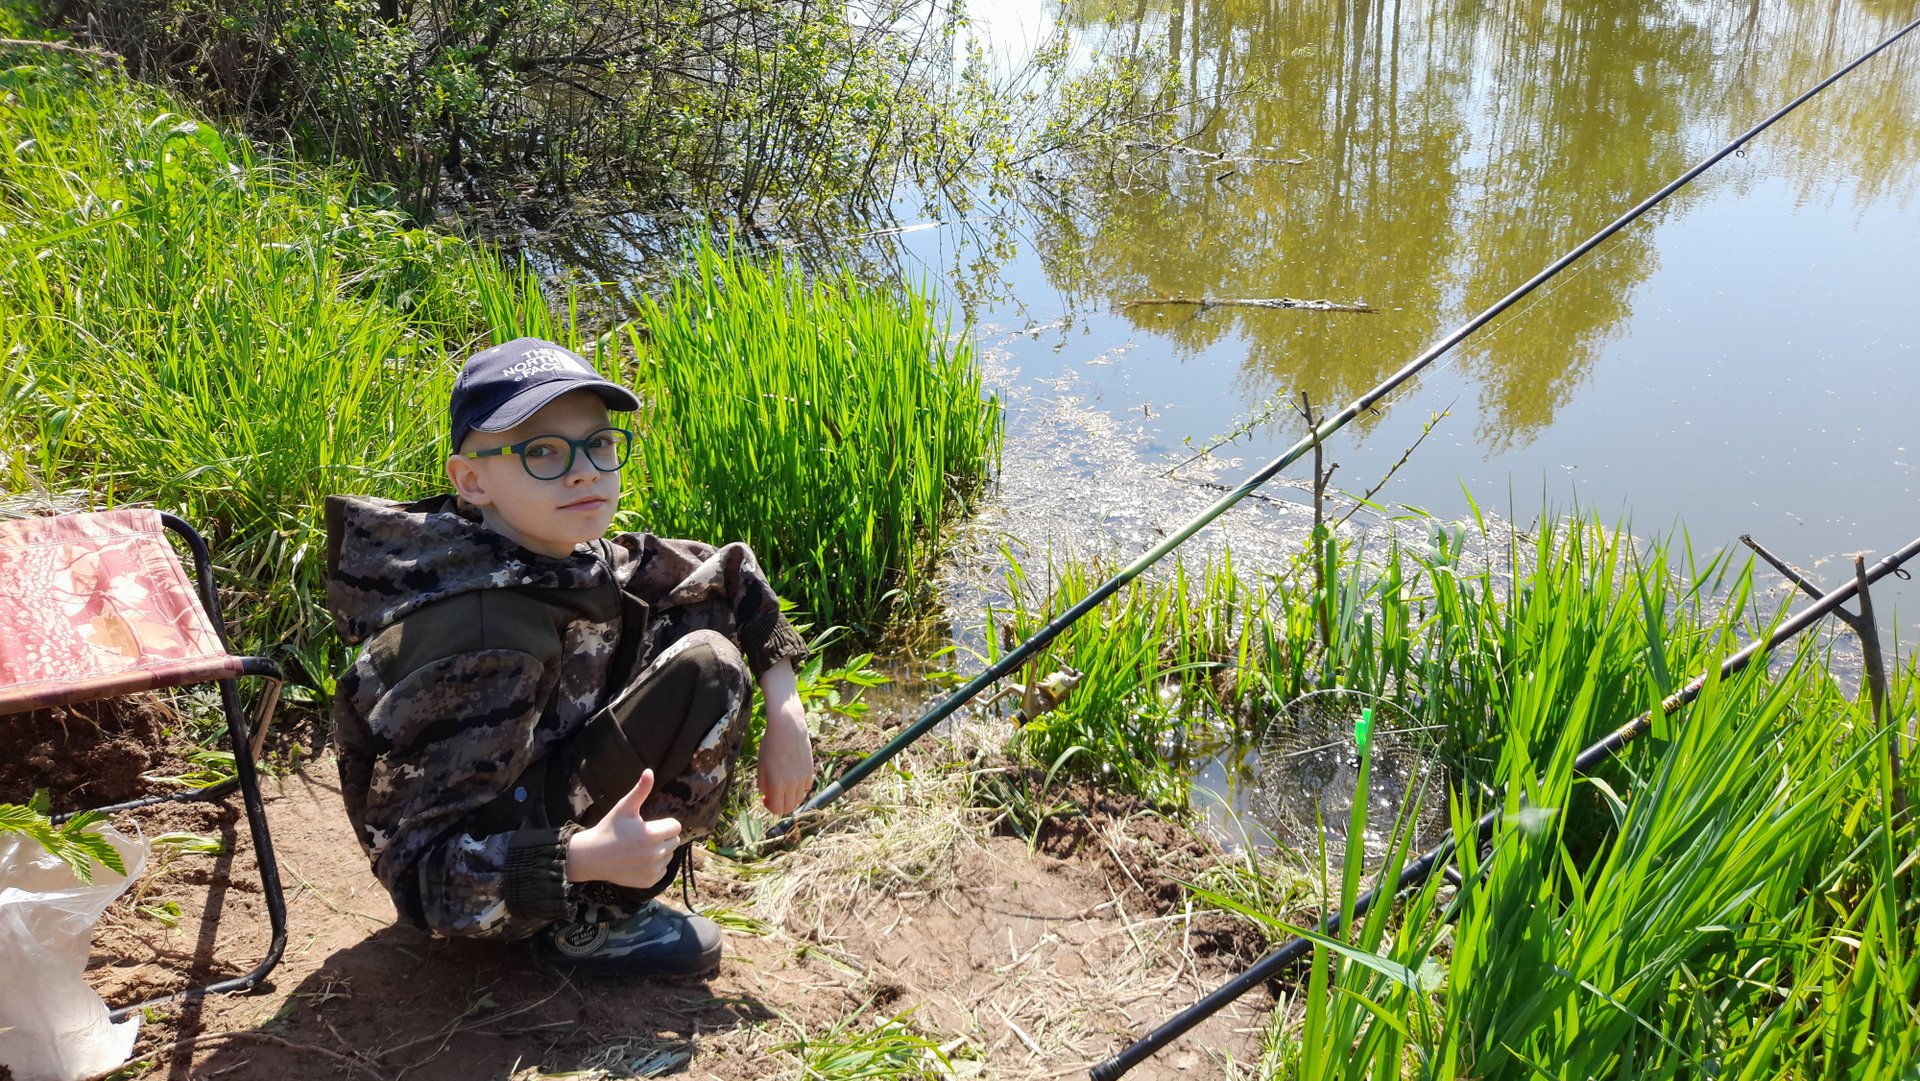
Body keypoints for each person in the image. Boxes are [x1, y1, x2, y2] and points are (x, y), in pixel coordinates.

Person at [324, 336, 814, 978]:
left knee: (699, 645)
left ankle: (598, 881)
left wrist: (787, 708)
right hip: (496, 880)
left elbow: (723, 571)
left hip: (533, 784)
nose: (585, 471)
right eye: (543, 452)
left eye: (599, 444)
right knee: (712, 670)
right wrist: (582, 858)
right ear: (471, 480)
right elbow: (421, 876)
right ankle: (587, 922)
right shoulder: (482, 641)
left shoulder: (552, 550)